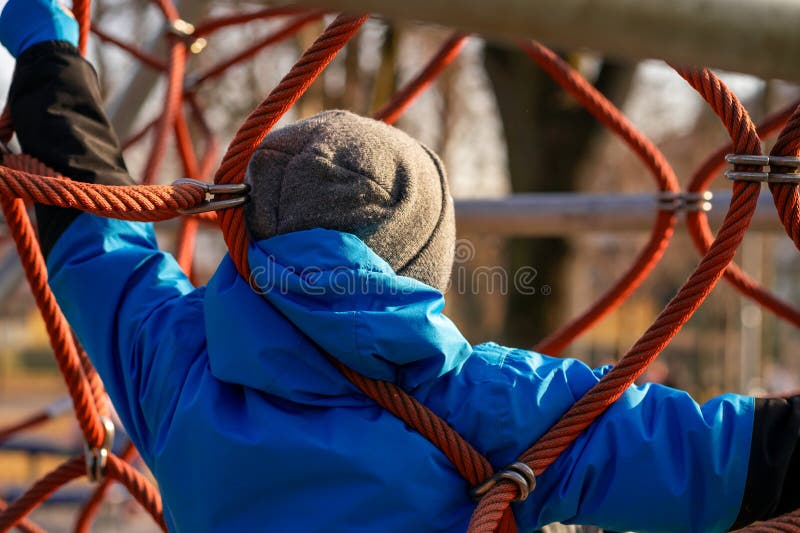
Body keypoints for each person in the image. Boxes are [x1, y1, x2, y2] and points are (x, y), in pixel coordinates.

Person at [1, 1, 800, 531]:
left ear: (245, 231)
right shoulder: (485, 403)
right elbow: (718, 458)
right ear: (421, 268)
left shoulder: (177, 370)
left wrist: (46, 51)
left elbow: (93, 222)